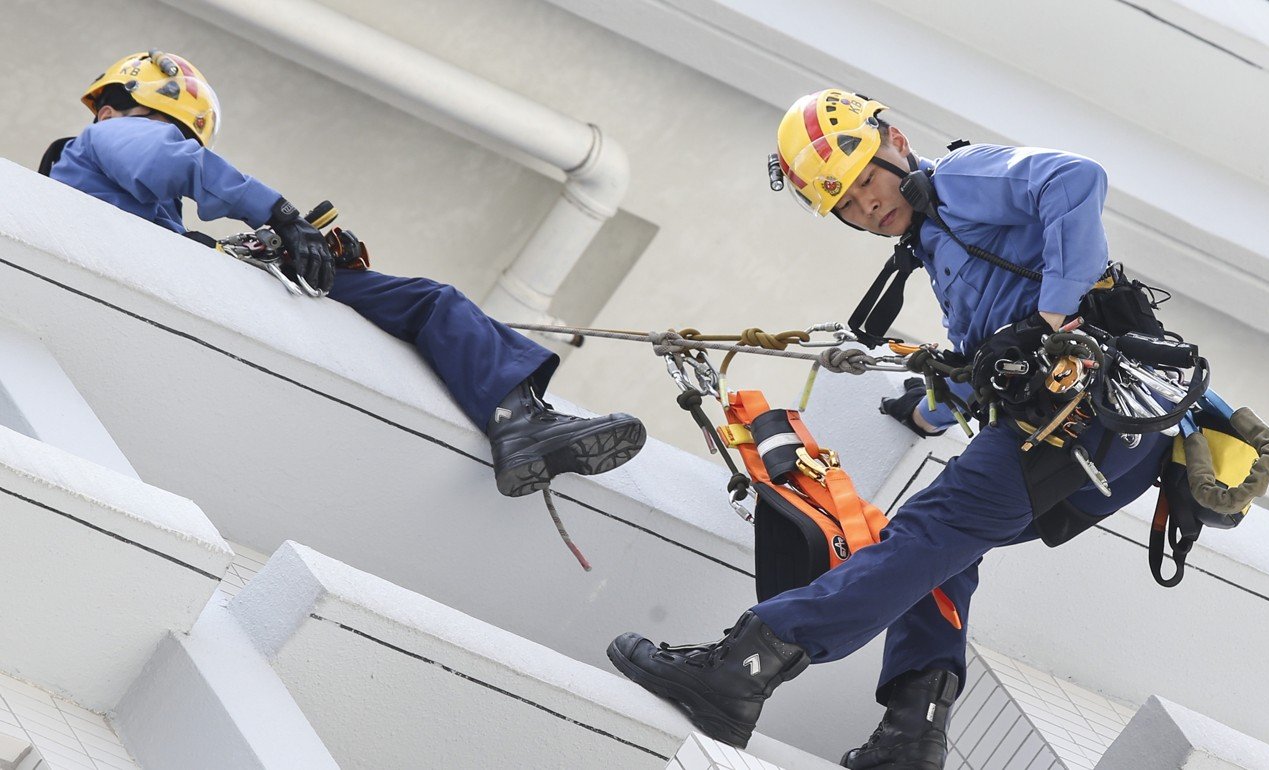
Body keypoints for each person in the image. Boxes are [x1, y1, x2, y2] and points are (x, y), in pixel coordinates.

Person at [607, 89, 1174, 767]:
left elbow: (1076, 179)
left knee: (925, 534)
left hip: (1079, 417)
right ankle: (912, 730)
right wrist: (928, 408)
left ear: (895, 140)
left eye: (865, 180)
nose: (867, 206)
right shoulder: (939, 243)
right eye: (846, 204)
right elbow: (996, 360)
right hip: (1110, 445)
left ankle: (743, 667)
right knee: (941, 553)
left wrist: (1046, 322)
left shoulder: (958, 180)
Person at [43, 51, 646, 498]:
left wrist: (302, 252)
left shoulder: (136, 214)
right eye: (164, 128)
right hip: (192, 301)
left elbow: (181, 221)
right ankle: (520, 422)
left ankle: (523, 418)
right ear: (111, 113)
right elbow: (171, 161)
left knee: (420, 301)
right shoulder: (98, 145)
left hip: (200, 296)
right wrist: (280, 215)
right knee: (428, 302)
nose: (171, 143)